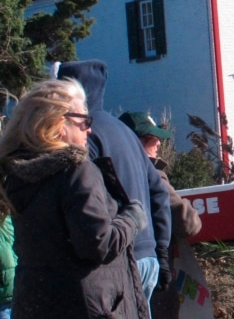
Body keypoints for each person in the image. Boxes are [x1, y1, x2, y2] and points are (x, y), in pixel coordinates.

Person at [0, 79, 149, 318]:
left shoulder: (17, 175)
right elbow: (97, 244)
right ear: (59, 123)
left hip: (34, 304)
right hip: (85, 304)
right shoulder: (75, 170)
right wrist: (131, 219)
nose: (89, 129)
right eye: (84, 121)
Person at [56, 60, 172, 312]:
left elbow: (86, 197)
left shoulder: (83, 133)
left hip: (120, 255)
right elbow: (159, 192)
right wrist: (161, 250)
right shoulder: (126, 131)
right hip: (148, 252)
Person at [118, 112, 203, 319]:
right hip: (154, 272)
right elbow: (188, 223)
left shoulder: (113, 171)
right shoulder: (153, 175)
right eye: (151, 138)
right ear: (138, 142)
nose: (158, 143)